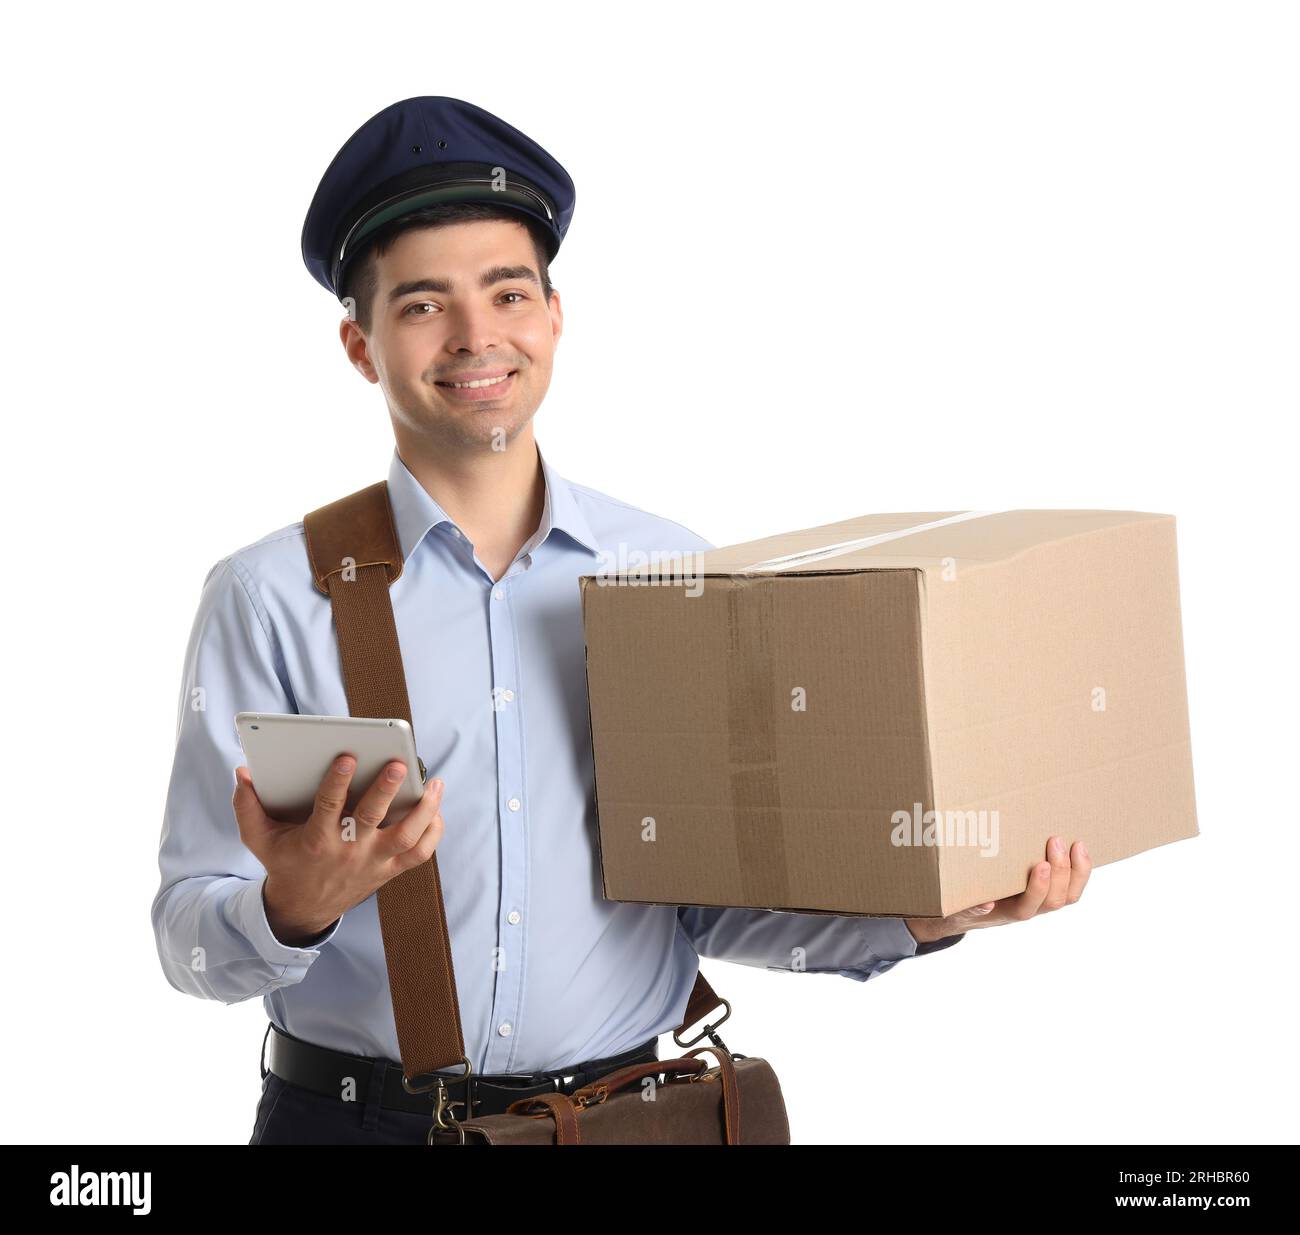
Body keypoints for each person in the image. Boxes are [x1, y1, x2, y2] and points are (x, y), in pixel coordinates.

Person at [151, 96, 1091, 1146]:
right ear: (360, 345)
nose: (476, 336)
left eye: (507, 291)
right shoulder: (272, 593)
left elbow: (717, 902)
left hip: (629, 1125)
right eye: (422, 305)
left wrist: (927, 912)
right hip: (355, 1126)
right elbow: (186, 936)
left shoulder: (672, 569)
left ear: (554, 315)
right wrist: (293, 907)